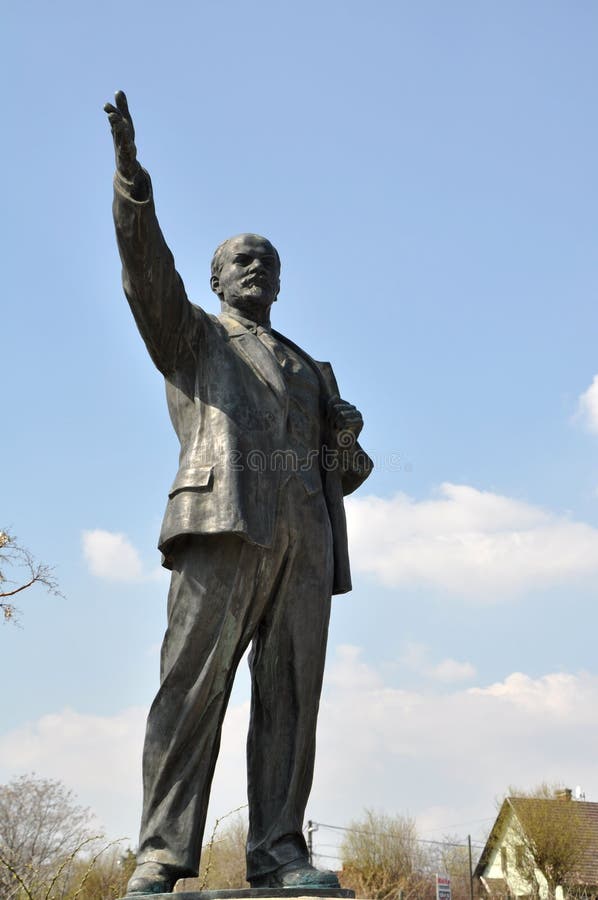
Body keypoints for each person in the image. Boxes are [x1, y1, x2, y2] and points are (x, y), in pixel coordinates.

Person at [104, 90, 373, 896]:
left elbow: (348, 477)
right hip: (222, 522)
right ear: (217, 278)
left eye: (268, 260)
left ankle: (279, 850)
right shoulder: (192, 336)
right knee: (190, 690)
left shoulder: (312, 369)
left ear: (281, 284)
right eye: (240, 258)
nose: (256, 266)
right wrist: (131, 186)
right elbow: (148, 274)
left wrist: (347, 440)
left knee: (291, 702)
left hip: (304, 539)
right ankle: (162, 852)